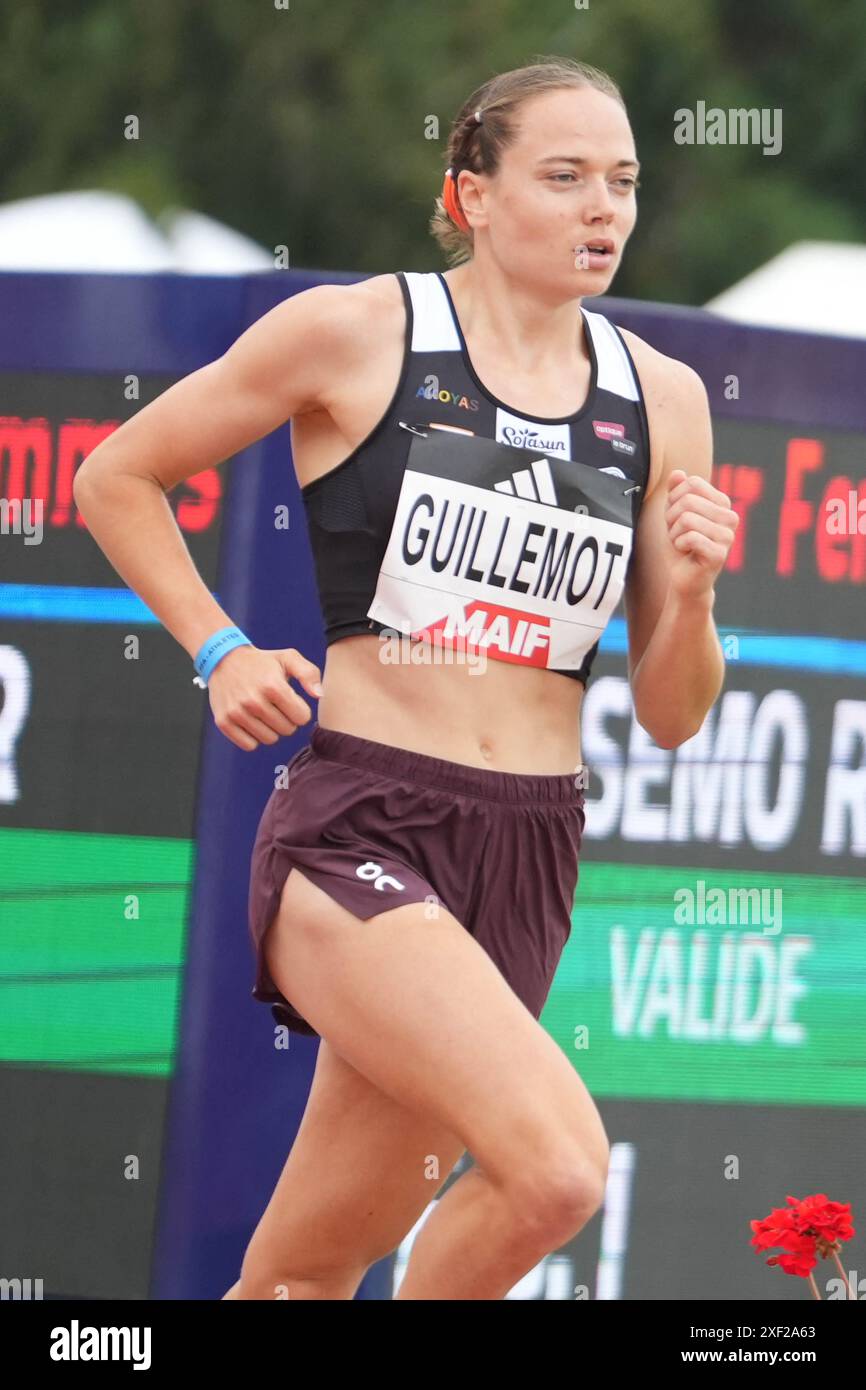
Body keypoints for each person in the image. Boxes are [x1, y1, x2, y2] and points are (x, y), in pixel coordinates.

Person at [73, 56, 739, 1301]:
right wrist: (216, 647)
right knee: (555, 1169)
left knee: (305, 1276)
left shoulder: (663, 399)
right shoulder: (358, 330)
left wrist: (693, 596)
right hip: (360, 827)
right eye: (564, 177)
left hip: (527, 848)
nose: (604, 209)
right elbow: (114, 475)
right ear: (469, 193)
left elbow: (669, 709)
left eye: (623, 182)